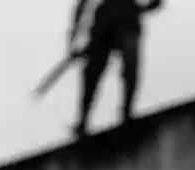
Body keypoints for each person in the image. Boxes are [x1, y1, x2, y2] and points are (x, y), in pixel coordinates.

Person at [68, 0, 164, 138]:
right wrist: (75, 40)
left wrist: (143, 8)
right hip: (104, 24)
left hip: (126, 21)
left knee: (129, 66)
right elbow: (83, 5)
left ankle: (126, 114)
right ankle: (83, 122)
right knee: (92, 73)